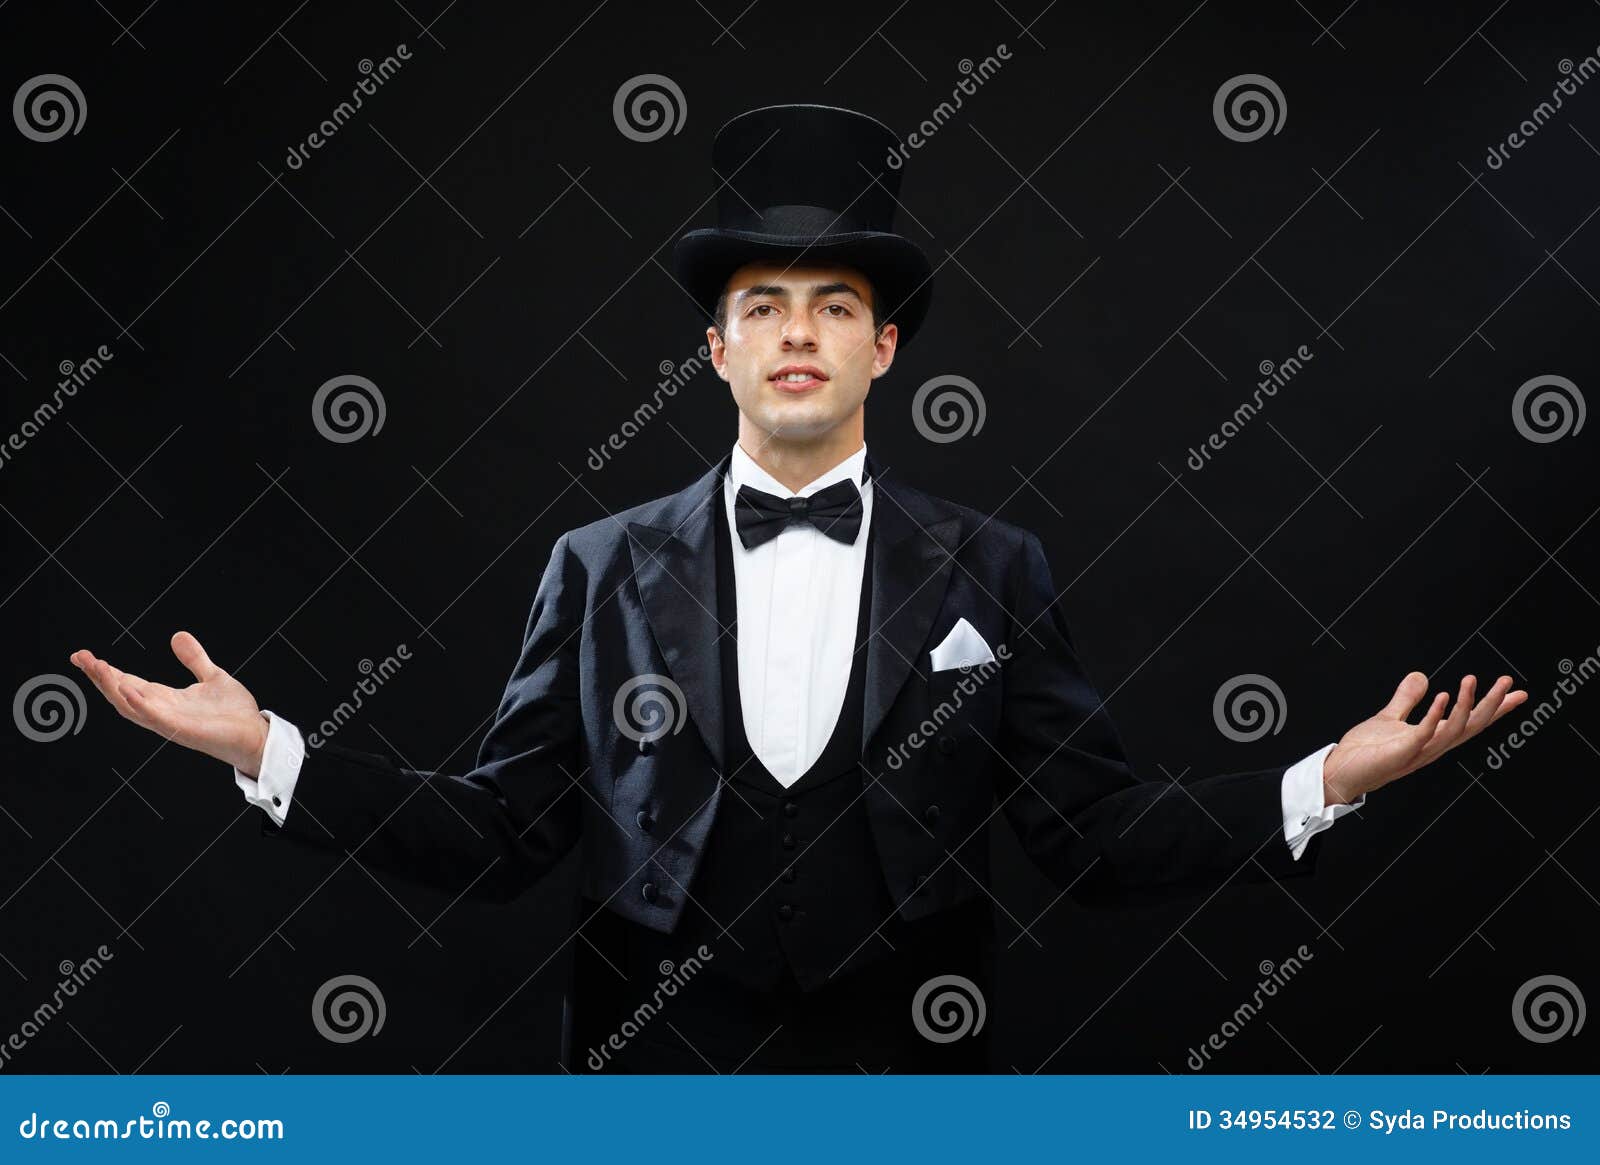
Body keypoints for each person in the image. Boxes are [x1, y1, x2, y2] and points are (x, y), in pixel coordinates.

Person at [68, 104, 1527, 1073]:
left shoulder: (993, 568)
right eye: (762, 303)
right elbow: (504, 830)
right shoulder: (597, 565)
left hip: (918, 1066)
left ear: (887, 348)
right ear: (714, 349)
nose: (798, 333)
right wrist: (269, 750)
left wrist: (1324, 774)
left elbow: (1088, 838)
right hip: (649, 1071)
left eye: (837, 304)